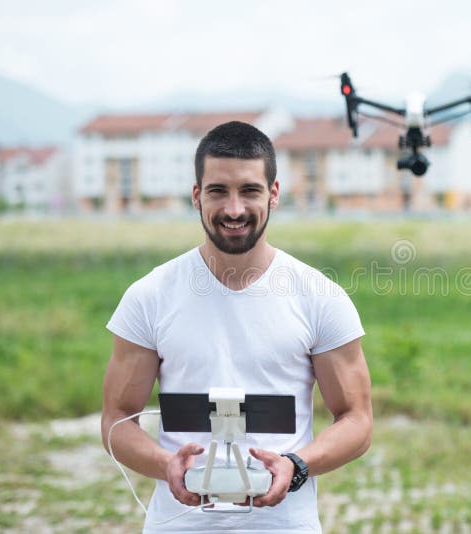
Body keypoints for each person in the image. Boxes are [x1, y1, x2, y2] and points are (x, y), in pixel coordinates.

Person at [101, 121, 373, 533]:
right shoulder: (150, 295)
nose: (233, 209)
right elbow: (117, 419)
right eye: (217, 191)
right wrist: (166, 465)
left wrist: (295, 466)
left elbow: (357, 420)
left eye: (249, 191)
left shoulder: (319, 296)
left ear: (274, 194)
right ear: (196, 196)